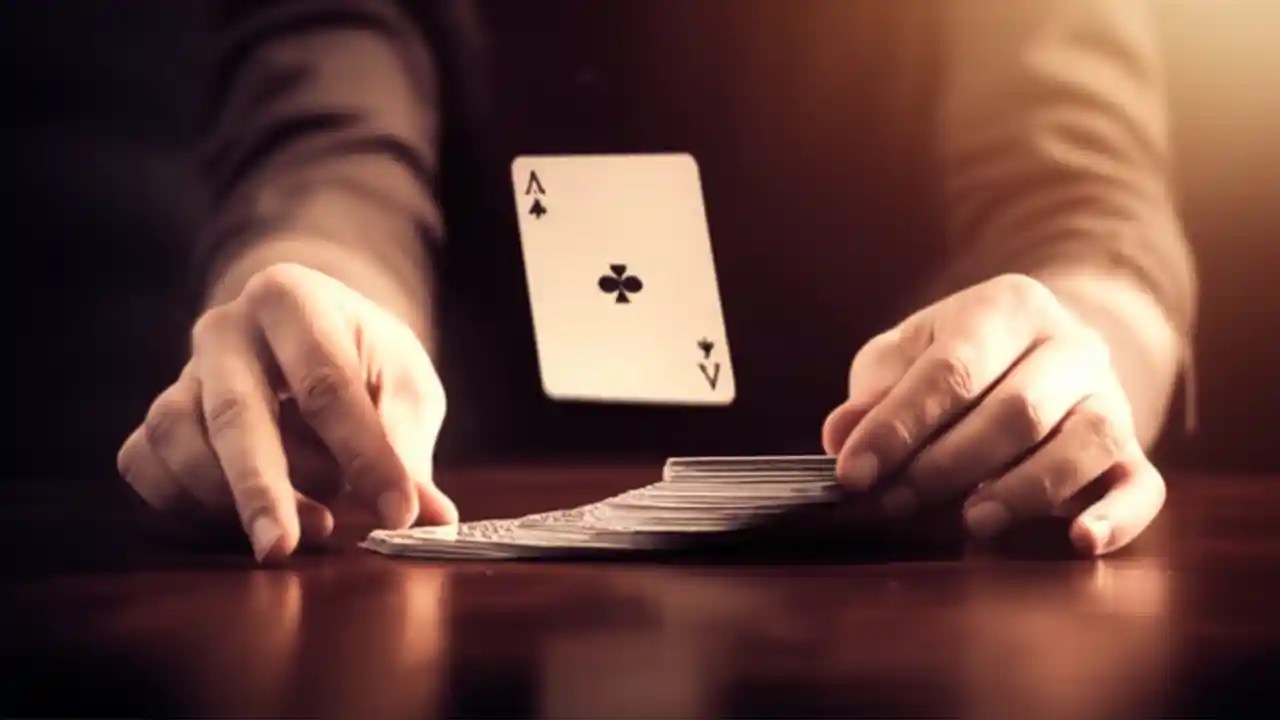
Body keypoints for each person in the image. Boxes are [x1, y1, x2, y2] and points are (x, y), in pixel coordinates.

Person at [116, 0, 1196, 562]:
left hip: (917, 543)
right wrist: (303, 304)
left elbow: (1083, 206)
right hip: (470, 550)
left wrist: (1084, 345)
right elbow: (326, 148)